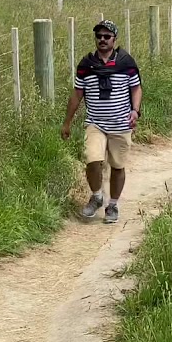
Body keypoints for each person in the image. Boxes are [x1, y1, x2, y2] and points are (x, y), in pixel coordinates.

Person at [60, 19, 142, 224]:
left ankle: (112, 205)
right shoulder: (86, 64)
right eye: (99, 36)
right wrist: (67, 123)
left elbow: (136, 88)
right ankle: (97, 196)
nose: (102, 40)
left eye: (107, 36)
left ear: (114, 39)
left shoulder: (126, 62)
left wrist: (135, 111)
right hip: (95, 122)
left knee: (117, 165)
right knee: (92, 159)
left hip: (121, 124)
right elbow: (77, 94)